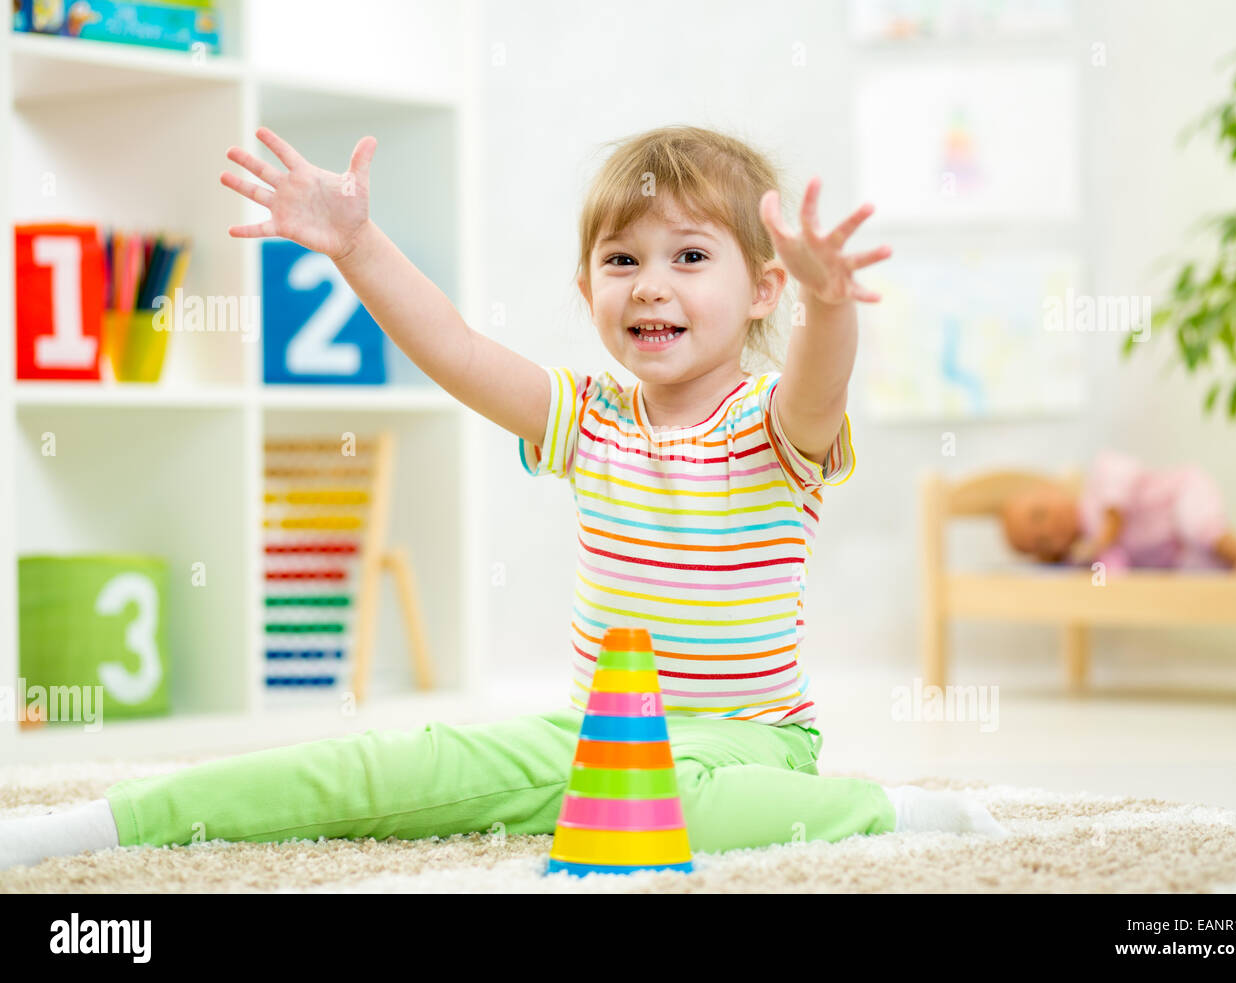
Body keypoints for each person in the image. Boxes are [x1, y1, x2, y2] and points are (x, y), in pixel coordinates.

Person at [1, 124, 1007, 874]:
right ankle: (108, 820)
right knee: (373, 772)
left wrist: (829, 303)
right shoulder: (590, 416)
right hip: (589, 732)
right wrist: (357, 246)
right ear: (588, 291)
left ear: (760, 290)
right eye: (623, 261)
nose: (651, 284)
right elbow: (457, 350)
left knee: (661, 810)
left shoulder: (775, 425)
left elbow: (820, 385)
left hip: (746, 740)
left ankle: (881, 809)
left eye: (689, 256)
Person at [1000, 449, 1236, 573]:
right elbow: (1117, 571)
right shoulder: (1091, 554)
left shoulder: (1099, 482)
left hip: (1181, 496)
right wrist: (1090, 559)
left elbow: (1121, 472)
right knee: (1209, 568)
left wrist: (1112, 518)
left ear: (1051, 492)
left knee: (1202, 527)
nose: (1049, 528)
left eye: (1039, 514)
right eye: (1042, 542)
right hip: (1179, 550)